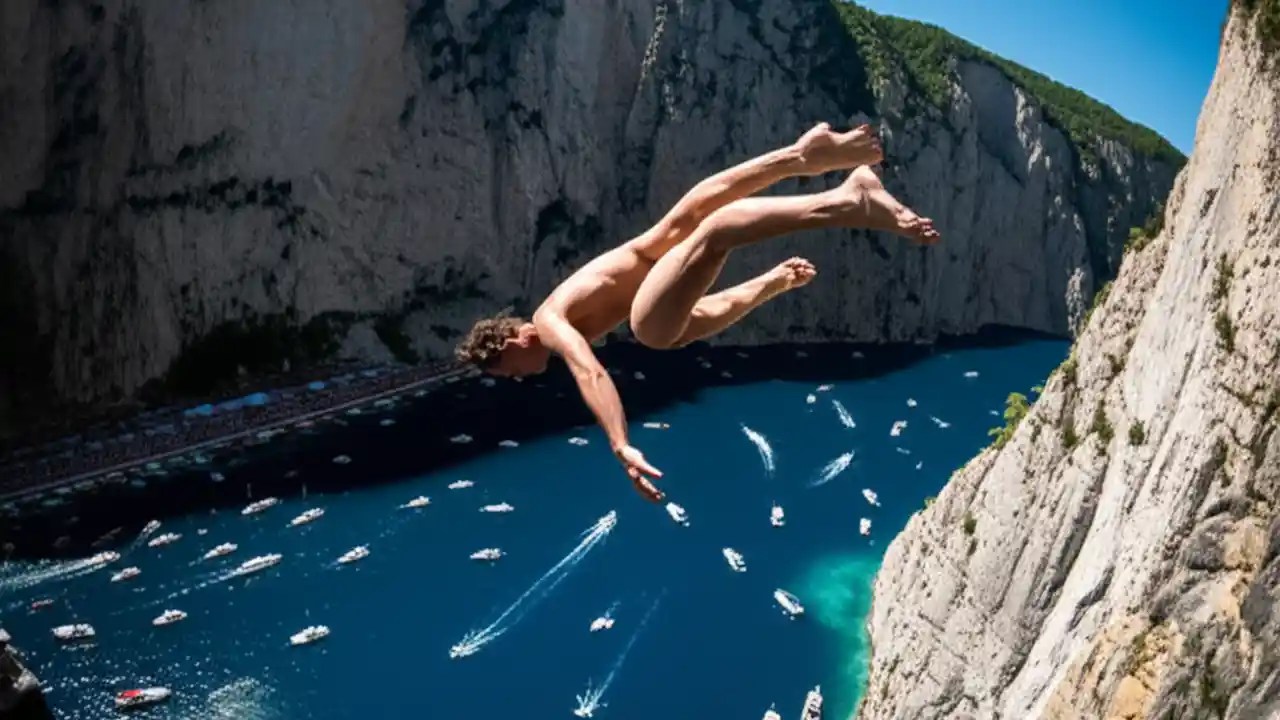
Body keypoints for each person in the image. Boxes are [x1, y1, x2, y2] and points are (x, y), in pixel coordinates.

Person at [455, 123, 940, 502]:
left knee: (658, 322)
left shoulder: (546, 324)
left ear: (512, 344)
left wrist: (620, 444)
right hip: (664, 240)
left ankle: (848, 201)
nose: (519, 379)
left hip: (661, 257)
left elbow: (590, 372)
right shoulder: (558, 309)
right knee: (673, 319)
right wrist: (767, 283)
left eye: (509, 374)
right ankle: (807, 157)